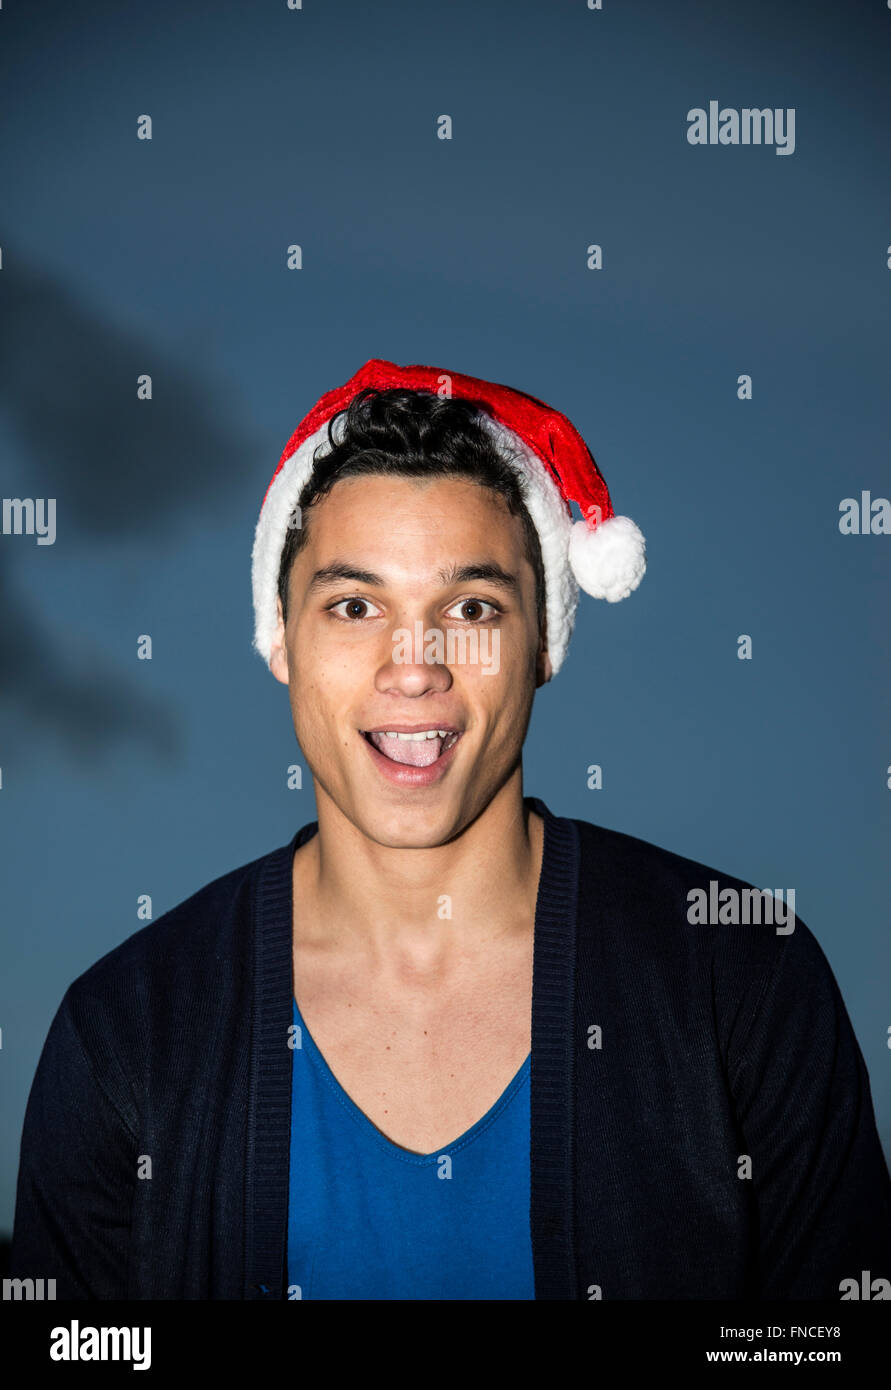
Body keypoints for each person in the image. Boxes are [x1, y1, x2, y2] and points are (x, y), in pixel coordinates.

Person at [11, 359, 891, 1300]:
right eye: (355, 606)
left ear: (545, 640)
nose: (415, 666)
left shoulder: (743, 978)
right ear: (280, 638)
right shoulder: (126, 1032)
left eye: (470, 609)